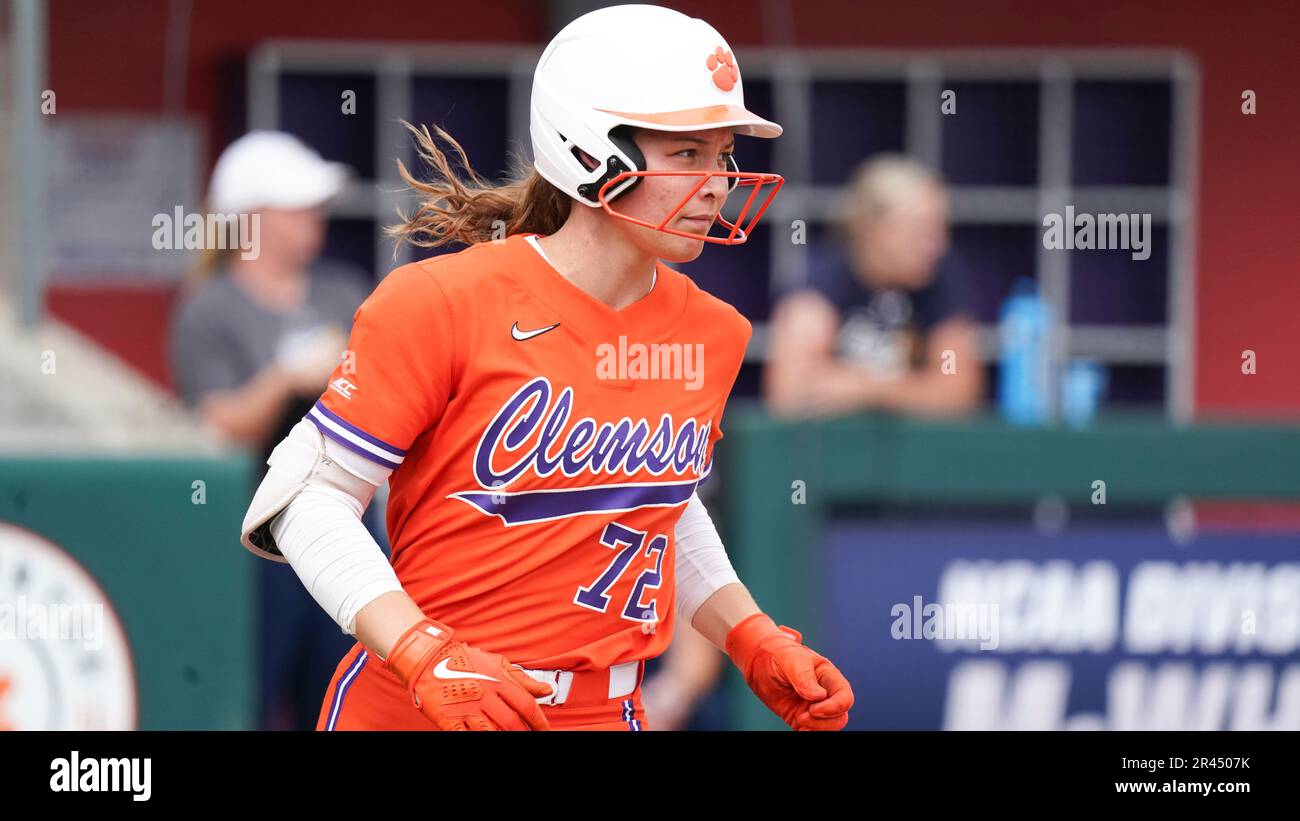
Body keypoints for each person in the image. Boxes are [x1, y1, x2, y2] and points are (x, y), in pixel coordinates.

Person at [240, 3, 853, 731]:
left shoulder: (714, 330)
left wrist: (749, 634)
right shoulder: (443, 300)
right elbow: (305, 498)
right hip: (426, 704)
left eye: (723, 154)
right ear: (589, 152)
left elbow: (659, 504)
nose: (718, 181)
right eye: (688, 154)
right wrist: (421, 651)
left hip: (606, 709)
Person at [172, 131, 372, 730]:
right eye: (298, 205)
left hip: (351, 525)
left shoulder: (343, 288)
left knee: (350, 695)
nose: (315, 217)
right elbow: (218, 425)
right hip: (255, 537)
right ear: (252, 216)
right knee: (250, 698)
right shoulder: (210, 307)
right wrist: (287, 378)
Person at [765, 154, 984, 418]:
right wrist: (917, 390)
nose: (938, 245)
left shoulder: (943, 279)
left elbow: (959, 392)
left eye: (940, 230)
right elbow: (792, 392)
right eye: (921, 230)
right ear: (870, 227)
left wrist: (868, 389)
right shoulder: (820, 278)